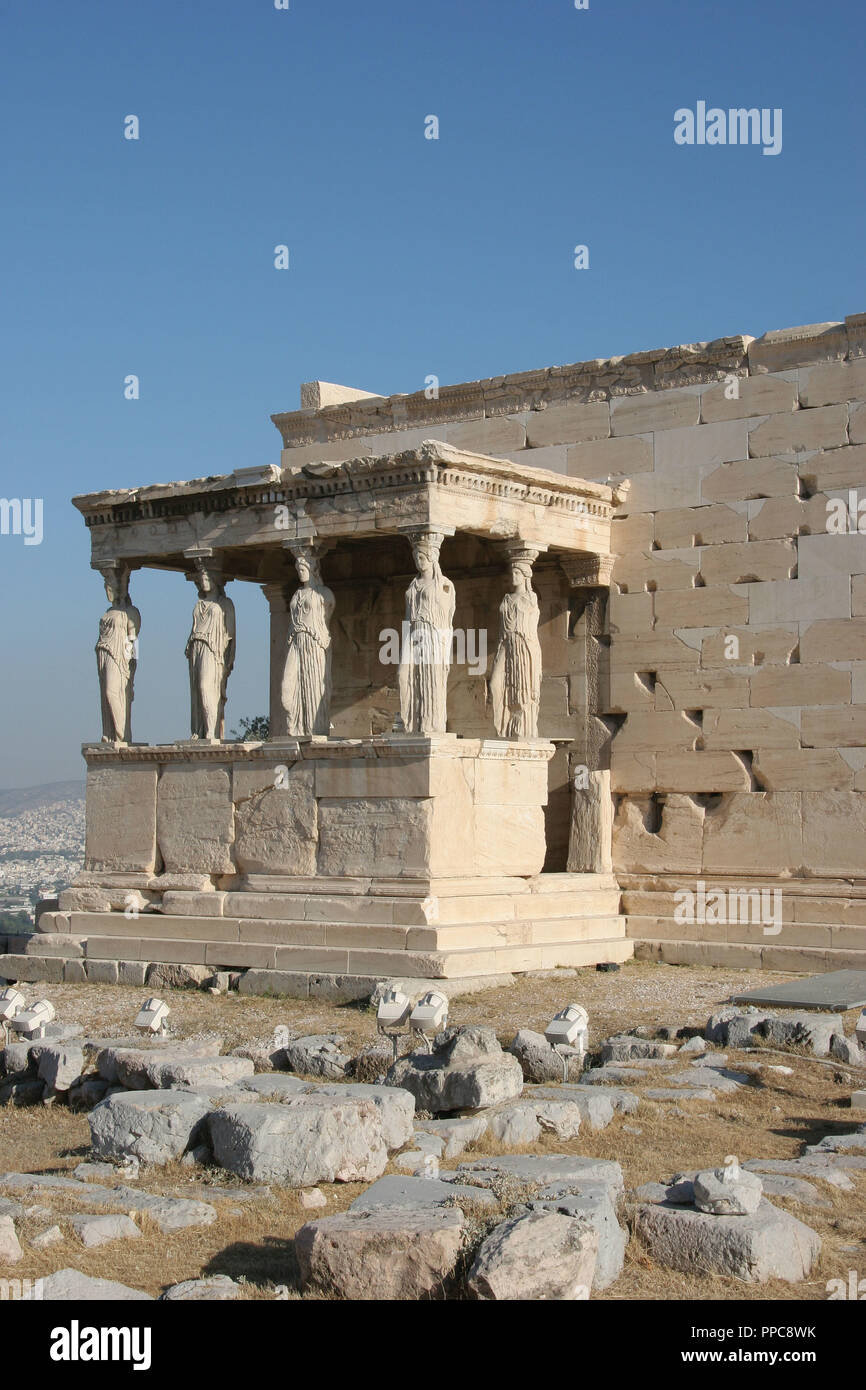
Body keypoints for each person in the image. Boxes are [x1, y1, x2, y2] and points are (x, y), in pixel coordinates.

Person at [398, 535, 455, 735]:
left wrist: (444, 646)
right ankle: (410, 724)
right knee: (403, 675)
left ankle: (430, 726)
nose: (419, 562)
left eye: (422, 557)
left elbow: (447, 617)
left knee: (430, 680)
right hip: (412, 633)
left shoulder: (444, 585)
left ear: (432, 557)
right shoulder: (412, 586)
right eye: (416, 558)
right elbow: (407, 615)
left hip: (432, 634)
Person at [281, 548, 335, 736]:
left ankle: (315, 731)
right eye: (298, 568)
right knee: (287, 694)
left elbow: (326, 619)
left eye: (304, 567)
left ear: (312, 568)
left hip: (314, 644)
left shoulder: (324, 594)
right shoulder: (296, 595)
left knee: (314, 688)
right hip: (296, 643)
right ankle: (296, 729)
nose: (300, 571)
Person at [489, 560, 542, 739]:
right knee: (495, 684)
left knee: (523, 689)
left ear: (526, 576)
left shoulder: (530, 598)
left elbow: (531, 626)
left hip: (524, 644)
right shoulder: (506, 598)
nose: (514, 576)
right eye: (512, 573)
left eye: (517, 573)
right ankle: (503, 728)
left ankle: (522, 731)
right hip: (505, 643)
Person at [186, 567, 235, 740]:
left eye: (207, 577)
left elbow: (230, 634)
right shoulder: (199, 604)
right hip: (196, 648)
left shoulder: (225, 603)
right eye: (202, 577)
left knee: (206, 687)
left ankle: (211, 732)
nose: (204, 580)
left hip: (214, 650)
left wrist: (228, 660)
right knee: (197, 691)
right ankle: (200, 730)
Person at [96, 568, 140, 743]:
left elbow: (133, 639)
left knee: (112, 692)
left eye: (111, 586)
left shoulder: (131, 612)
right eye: (106, 586)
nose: (108, 590)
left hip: (119, 656)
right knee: (105, 697)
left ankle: (122, 735)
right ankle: (110, 733)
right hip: (103, 654)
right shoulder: (107, 611)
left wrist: (133, 665)